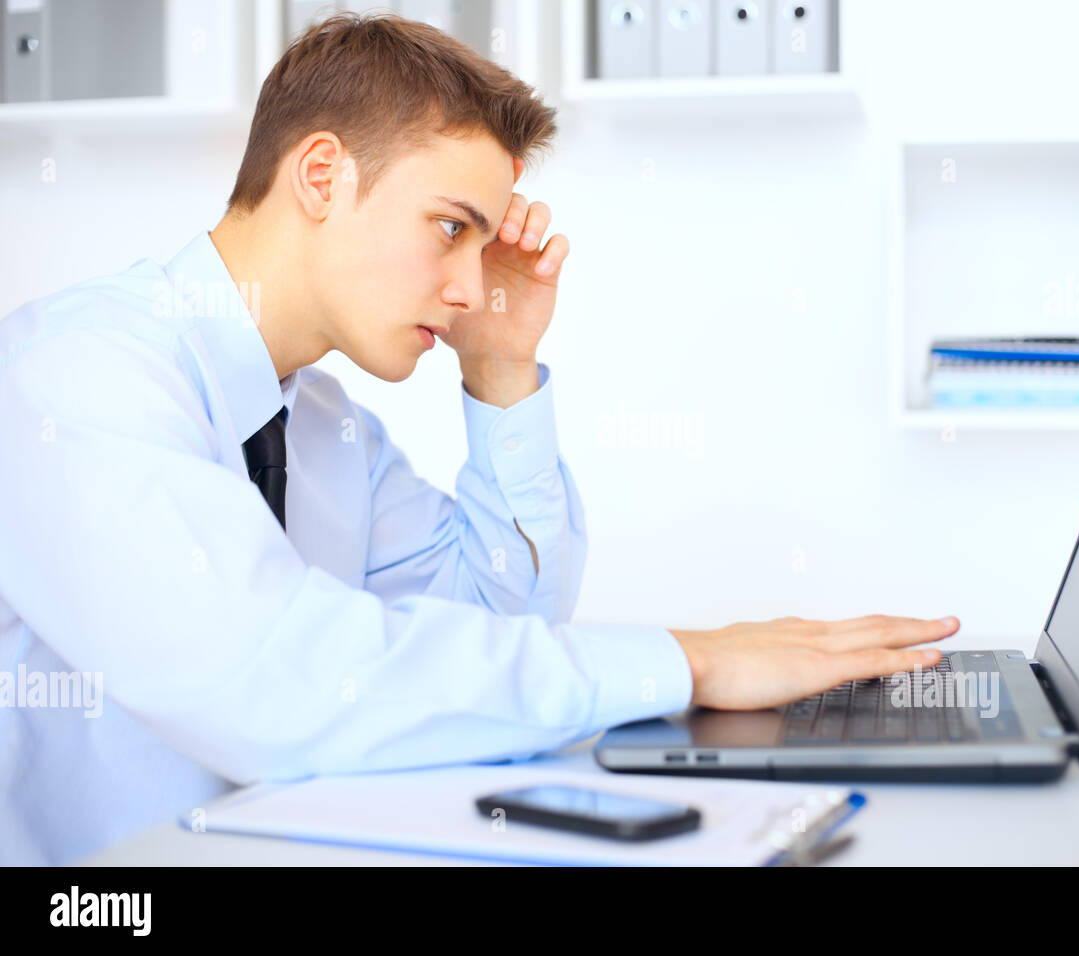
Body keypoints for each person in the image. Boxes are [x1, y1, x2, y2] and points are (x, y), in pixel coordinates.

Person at [0, 13, 958, 866]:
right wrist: (692, 659)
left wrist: (500, 368)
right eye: (450, 228)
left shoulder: (326, 428)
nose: (468, 285)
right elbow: (273, 682)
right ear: (323, 176)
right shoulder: (78, 378)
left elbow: (502, 626)